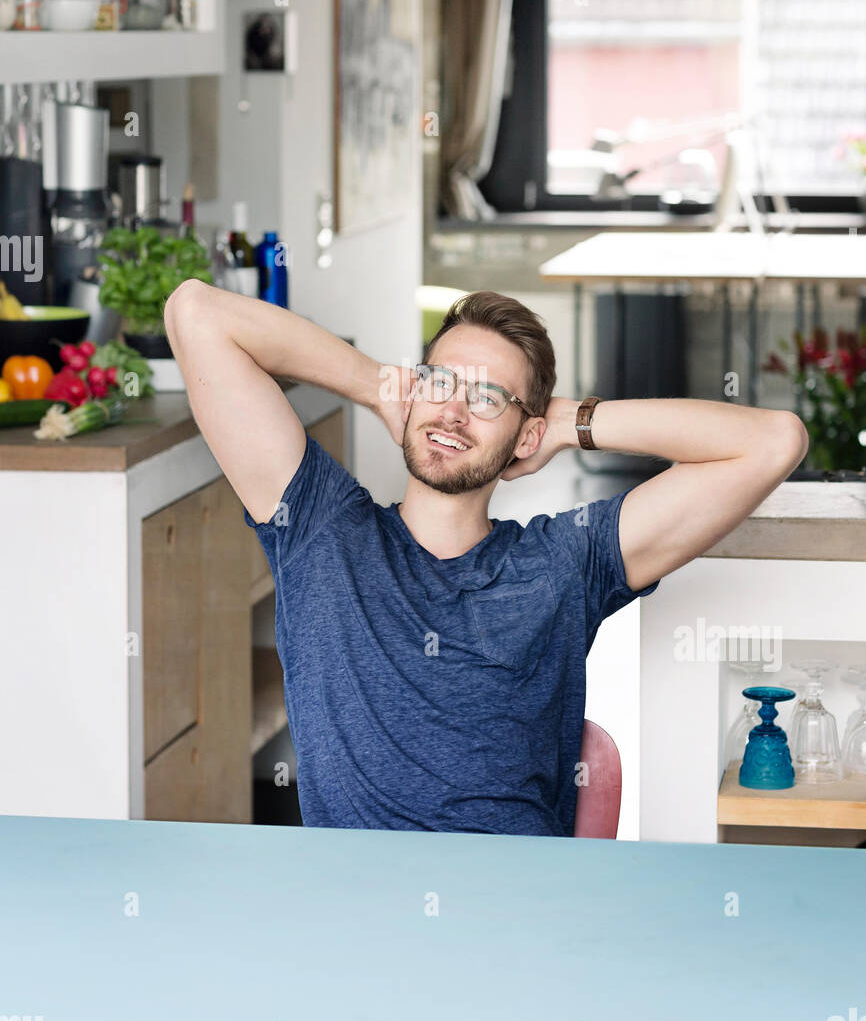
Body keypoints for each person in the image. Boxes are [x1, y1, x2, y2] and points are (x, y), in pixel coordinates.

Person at [165, 283, 808, 838]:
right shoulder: (319, 530)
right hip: (354, 917)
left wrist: (568, 423)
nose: (453, 410)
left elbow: (773, 442)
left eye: (488, 398)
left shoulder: (564, 561)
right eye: (441, 383)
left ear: (524, 436)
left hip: (514, 915)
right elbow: (195, 313)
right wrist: (376, 385)